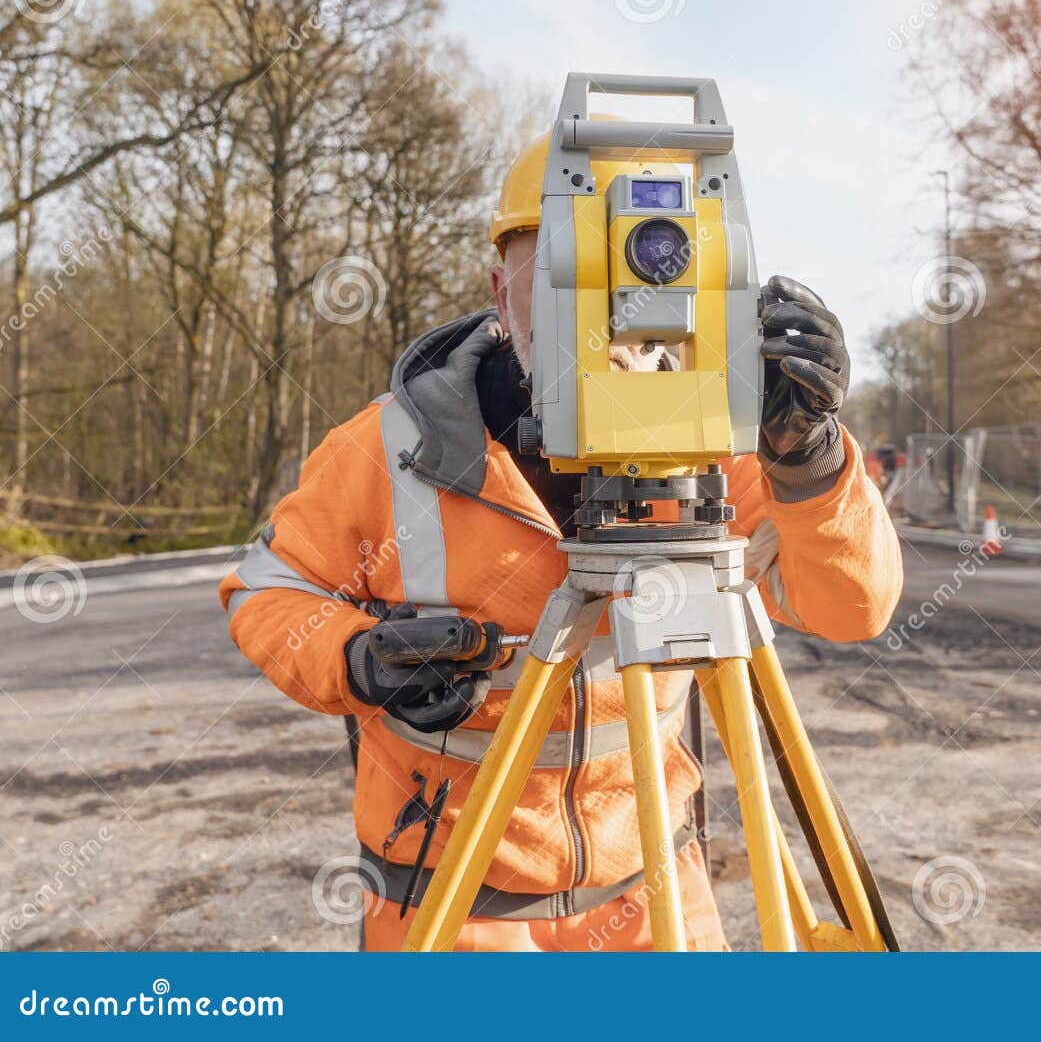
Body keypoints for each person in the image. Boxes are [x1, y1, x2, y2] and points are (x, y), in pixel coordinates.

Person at [218, 128, 903, 951]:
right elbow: (266, 591)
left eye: (621, 273)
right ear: (497, 287)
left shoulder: (715, 448)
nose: (596, 306)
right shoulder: (385, 446)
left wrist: (808, 456)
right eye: (560, 270)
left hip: (652, 901)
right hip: (449, 911)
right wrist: (357, 657)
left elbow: (853, 605)